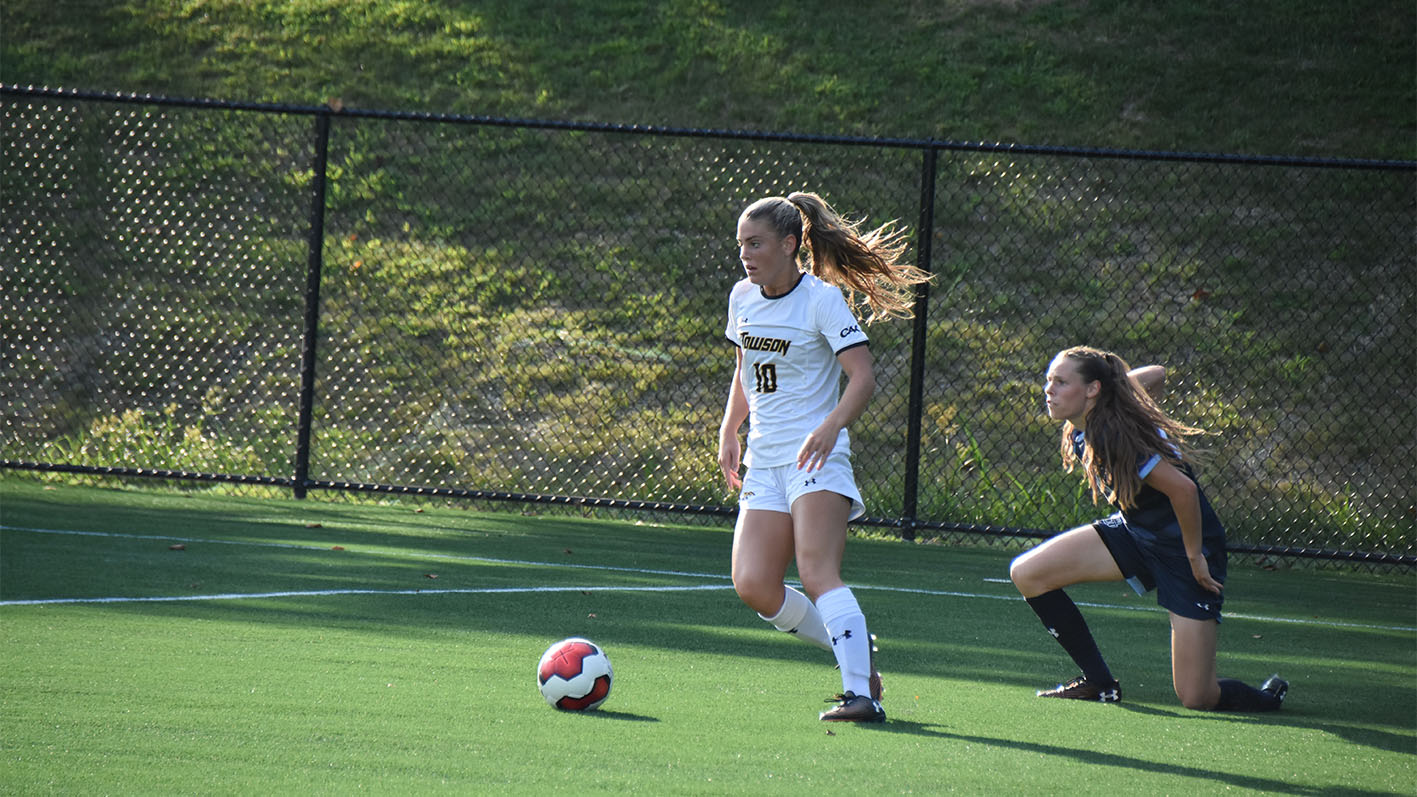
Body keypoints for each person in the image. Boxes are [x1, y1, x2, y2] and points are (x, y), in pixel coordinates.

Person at [717, 191, 929, 722]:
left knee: (817, 572)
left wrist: (832, 426)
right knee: (755, 584)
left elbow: (863, 377)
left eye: (756, 242)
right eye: (741, 243)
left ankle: (861, 693)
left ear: (790, 245)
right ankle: (853, 651)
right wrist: (730, 430)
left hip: (815, 459)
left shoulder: (821, 299)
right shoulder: (742, 296)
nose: (746, 253)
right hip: (765, 461)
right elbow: (745, 371)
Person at [1009, 345, 1288, 711]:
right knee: (1028, 573)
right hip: (1135, 532)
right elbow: (1156, 373)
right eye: (1049, 380)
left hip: (1183, 548)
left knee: (1197, 697)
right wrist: (1112, 388)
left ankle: (1267, 698)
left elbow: (1183, 490)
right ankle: (1099, 682)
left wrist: (1194, 556)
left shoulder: (1114, 437)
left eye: (1061, 382)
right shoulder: (1087, 420)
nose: (1049, 389)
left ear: (1092, 390)